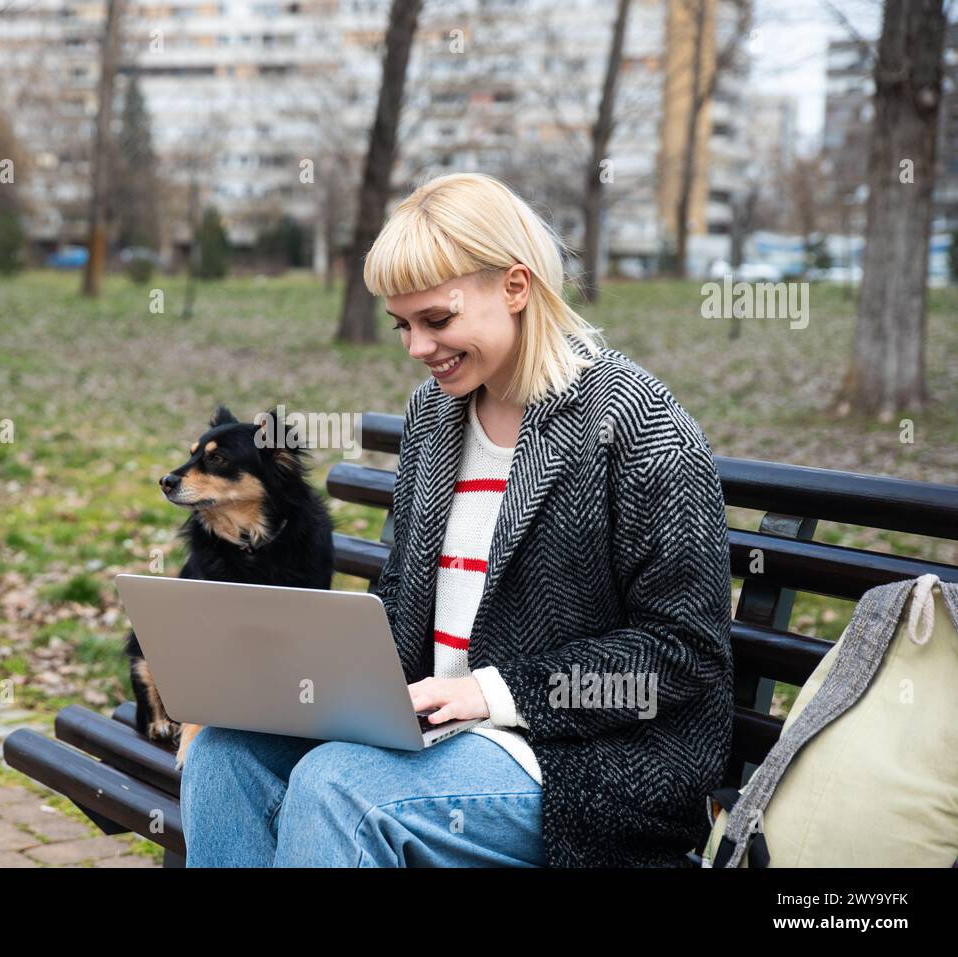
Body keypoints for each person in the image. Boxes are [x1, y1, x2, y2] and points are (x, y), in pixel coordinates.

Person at [179, 171, 734, 867]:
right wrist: (311, 676)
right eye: (402, 325)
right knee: (227, 754)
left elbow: (685, 653)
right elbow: (411, 599)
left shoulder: (637, 426)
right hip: (429, 726)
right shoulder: (436, 414)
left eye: (435, 320)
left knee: (337, 788)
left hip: (582, 759)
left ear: (516, 286)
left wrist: (488, 692)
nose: (415, 347)